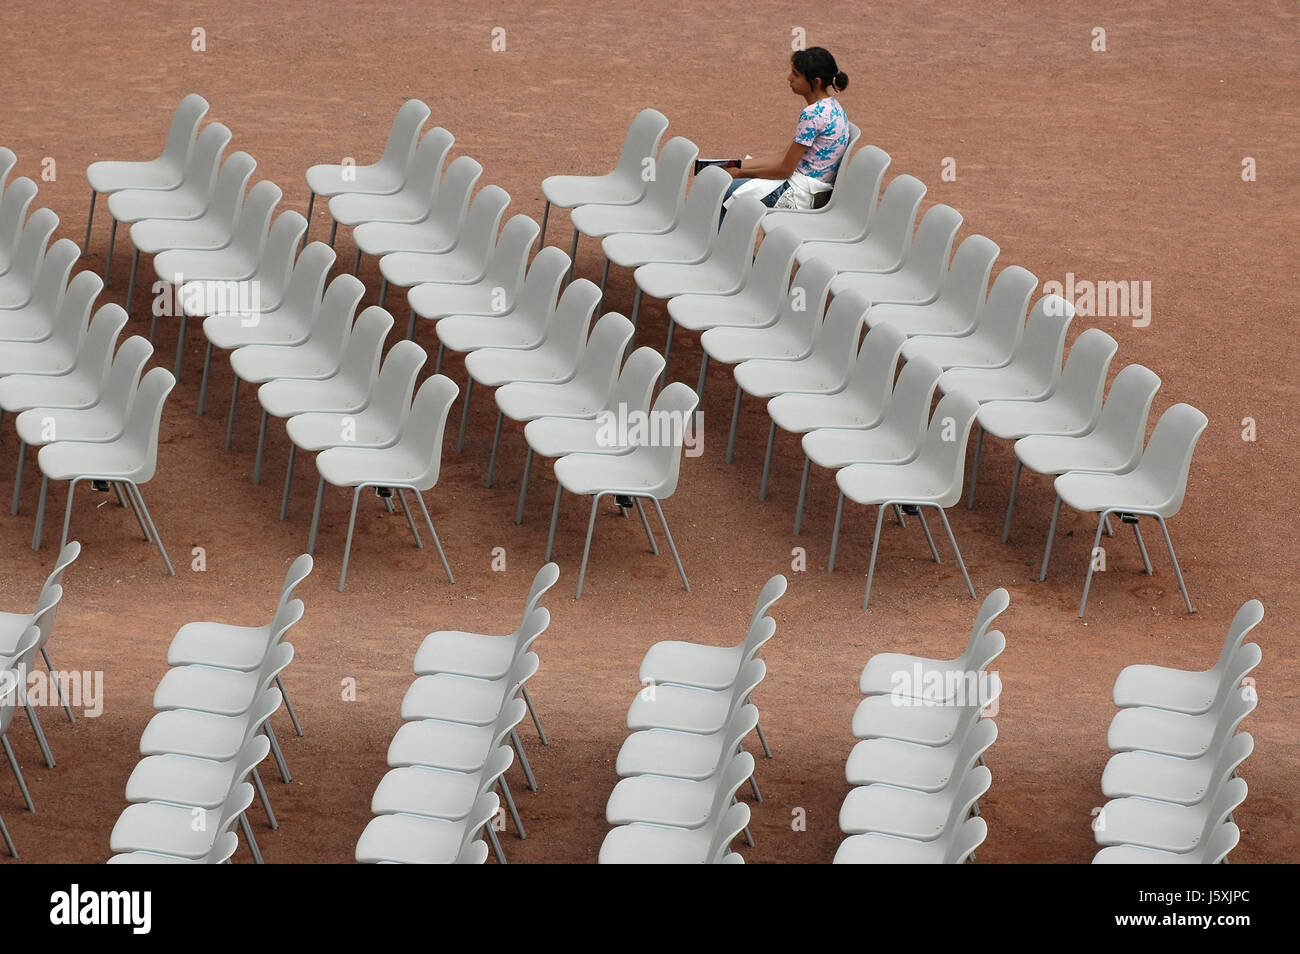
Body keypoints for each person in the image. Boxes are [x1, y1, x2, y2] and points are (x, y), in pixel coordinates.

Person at [720, 47, 851, 218]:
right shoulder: (832, 107)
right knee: (731, 181)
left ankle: (722, 245)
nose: (789, 78)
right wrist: (735, 164)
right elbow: (783, 157)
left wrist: (740, 172)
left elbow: (784, 169)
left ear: (816, 82)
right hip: (810, 188)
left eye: (796, 75)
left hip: (799, 194)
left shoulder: (812, 114)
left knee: (726, 191)